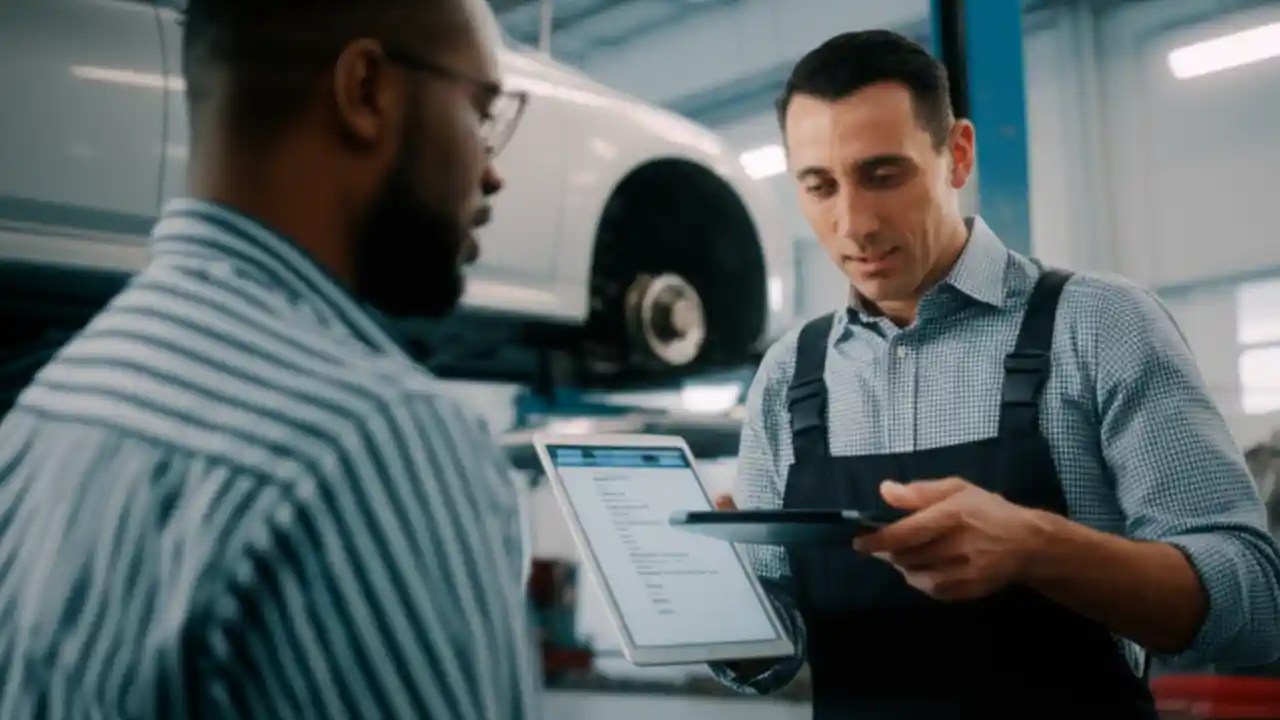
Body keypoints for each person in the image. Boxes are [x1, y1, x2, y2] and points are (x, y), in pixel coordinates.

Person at [711, 30, 1280, 718]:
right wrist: (712, 601)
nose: (853, 223)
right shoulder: (787, 377)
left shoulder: (1099, 326)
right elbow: (778, 654)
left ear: (957, 154)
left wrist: (1040, 548)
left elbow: (1253, 600)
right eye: (820, 186)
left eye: (883, 175)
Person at [0, 0, 539, 717]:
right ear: (365, 90)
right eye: (480, 113)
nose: (493, 172)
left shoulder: (50, 410)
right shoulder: (373, 446)